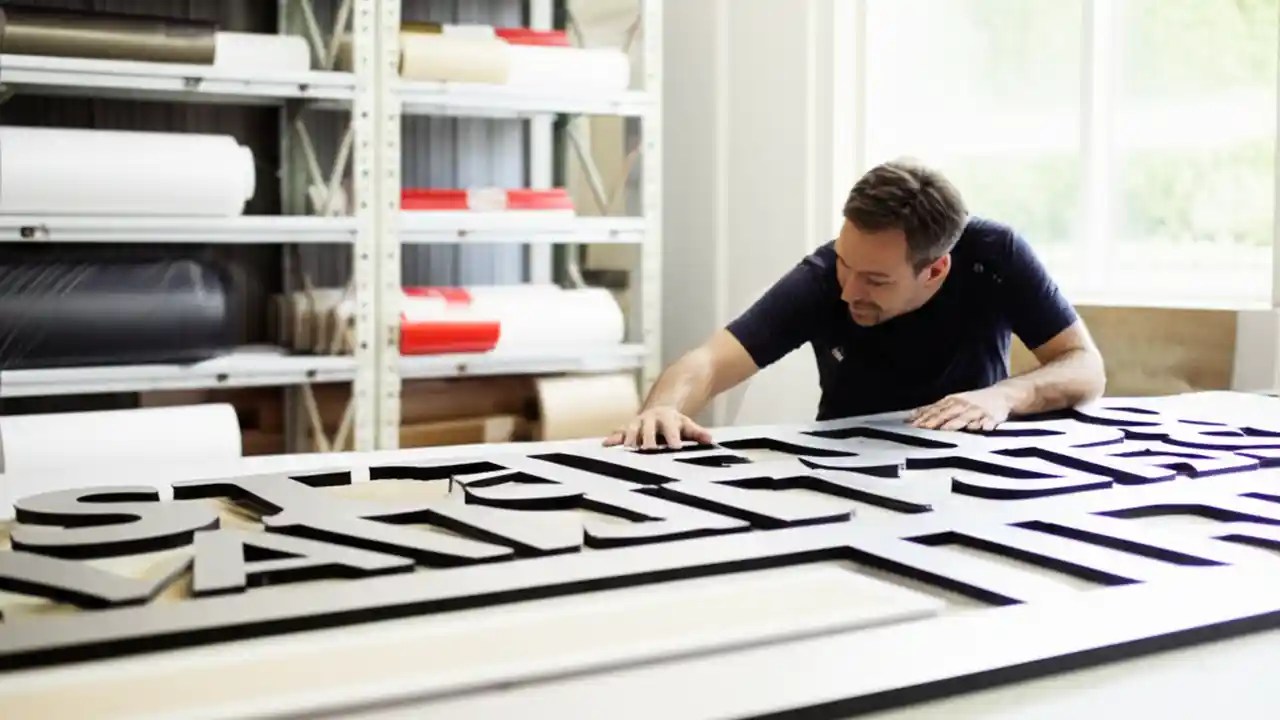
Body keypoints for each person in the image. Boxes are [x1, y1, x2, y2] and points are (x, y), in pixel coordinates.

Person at [605, 158, 1106, 449]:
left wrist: (1003, 396)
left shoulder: (994, 257)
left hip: (969, 465)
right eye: (846, 263)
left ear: (936, 270)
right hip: (849, 469)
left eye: (875, 280)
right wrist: (662, 411)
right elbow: (710, 362)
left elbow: (1085, 367)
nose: (849, 292)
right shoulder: (828, 278)